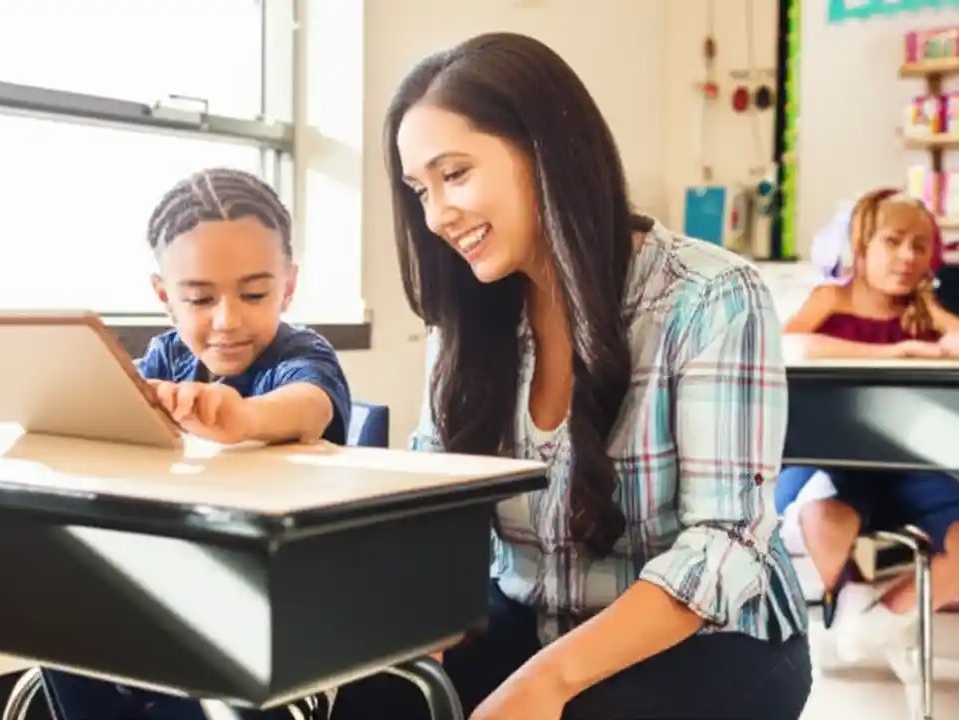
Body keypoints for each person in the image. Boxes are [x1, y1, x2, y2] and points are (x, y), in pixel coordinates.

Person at [332, 32, 811, 720]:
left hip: (710, 637)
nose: (436, 216)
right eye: (420, 191)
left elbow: (724, 543)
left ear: (544, 150)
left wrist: (546, 684)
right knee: (375, 693)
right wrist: (423, 619)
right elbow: (437, 504)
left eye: (456, 174)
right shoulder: (463, 322)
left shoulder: (710, 297)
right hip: (533, 618)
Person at [43, 167, 351, 720]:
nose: (228, 320)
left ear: (288, 285)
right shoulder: (166, 359)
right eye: (201, 298)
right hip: (170, 597)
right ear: (165, 297)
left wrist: (245, 417)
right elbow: (107, 412)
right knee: (54, 622)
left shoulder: (302, 355)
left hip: (268, 614)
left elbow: (309, 404)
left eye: (255, 293)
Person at [777, 188, 959, 667]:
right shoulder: (829, 299)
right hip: (832, 461)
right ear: (860, 245)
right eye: (893, 241)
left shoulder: (922, 315)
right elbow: (789, 347)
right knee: (822, 517)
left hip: (912, 469)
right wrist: (894, 353)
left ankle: (884, 621)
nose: (907, 256)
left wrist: (940, 332)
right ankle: (844, 603)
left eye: (920, 247)